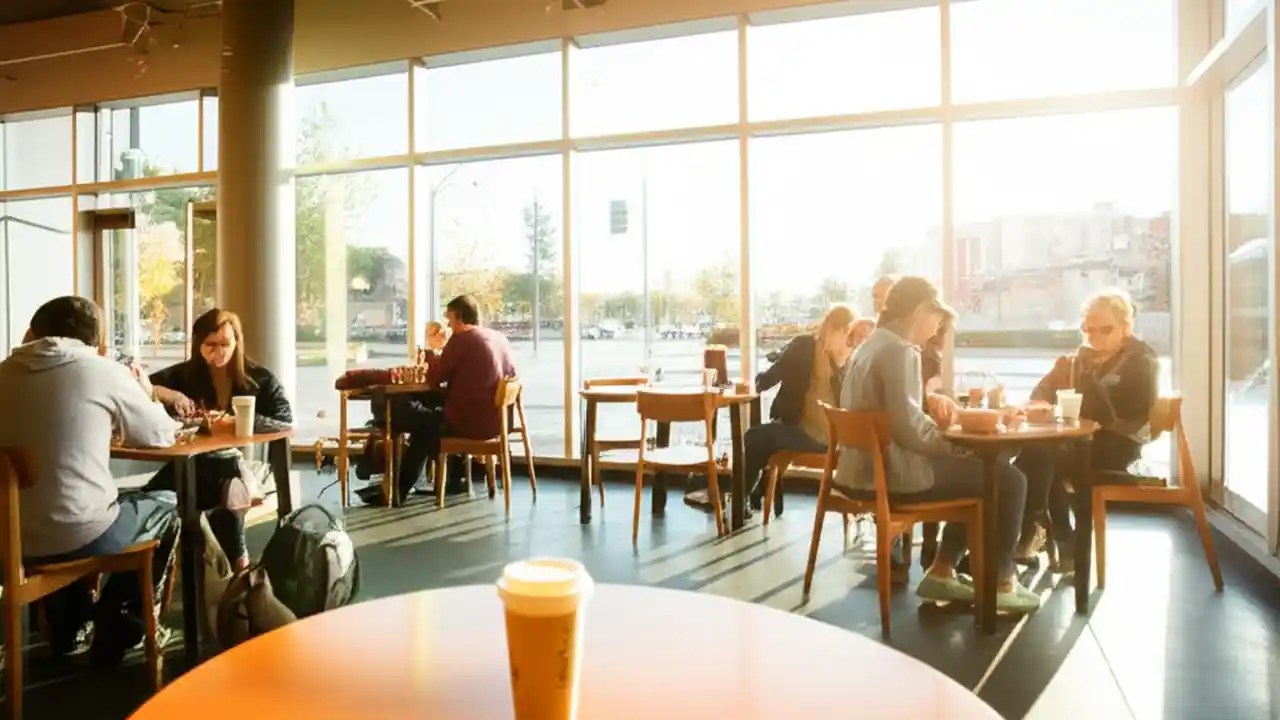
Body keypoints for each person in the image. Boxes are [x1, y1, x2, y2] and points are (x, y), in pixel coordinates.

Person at [835, 277, 1039, 612]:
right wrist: (955, 446)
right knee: (1008, 479)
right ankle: (1002, 581)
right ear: (919, 311)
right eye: (937, 317)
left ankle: (944, 570)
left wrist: (942, 434)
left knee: (979, 473)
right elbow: (907, 429)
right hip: (895, 477)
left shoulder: (868, 347)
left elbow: (901, 419)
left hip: (858, 473)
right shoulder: (900, 351)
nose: (938, 326)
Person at [0, 296, 180, 664]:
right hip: (81, 533)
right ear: (94, 340)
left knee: (61, 504)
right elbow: (160, 434)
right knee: (167, 505)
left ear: (33, 332)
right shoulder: (100, 370)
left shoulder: (3, 372)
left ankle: (70, 629)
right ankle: (122, 624)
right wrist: (145, 393)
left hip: (8, 536)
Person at [1014, 289, 1158, 570]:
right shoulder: (1078, 360)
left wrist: (1090, 379)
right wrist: (1047, 394)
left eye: (1105, 330)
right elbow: (1042, 392)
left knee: (1038, 460)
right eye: (1088, 329)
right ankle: (1054, 541)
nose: (1094, 337)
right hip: (1077, 440)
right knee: (1036, 456)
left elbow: (1126, 414)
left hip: (1118, 443)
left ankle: (1036, 534)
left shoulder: (1142, 362)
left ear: (1125, 328)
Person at [146, 308, 292, 569]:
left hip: (251, 467)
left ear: (237, 342)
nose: (219, 352)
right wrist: (170, 395)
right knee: (218, 480)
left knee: (225, 470)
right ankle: (240, 568)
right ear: (198, 344)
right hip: (196, 468)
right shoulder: (183, 376)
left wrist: (236, 424)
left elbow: (284, 421)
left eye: (225, 344)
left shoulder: (259, 379)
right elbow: (140, 386)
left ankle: (234, 565)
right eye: (210, 345)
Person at [360, 295, 517, 506]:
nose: (449, 327)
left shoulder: (462, 338)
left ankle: (395, 489)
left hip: (470, 423)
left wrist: (432, 358)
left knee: (416, 422)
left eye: (450, 320)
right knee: (427, 420)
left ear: (459, 317)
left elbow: (436, 379)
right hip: (497, 421)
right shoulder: (498, 337)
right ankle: (447, 479)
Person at [746, 306, 859, 511]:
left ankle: (740, 501)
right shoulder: (844, 358)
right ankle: (757, 492)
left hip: (810, 434)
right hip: (835, 439)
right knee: (772, 436)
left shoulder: (804, 346)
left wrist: (753, 384)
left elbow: (773, 376)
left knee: (753, 437)